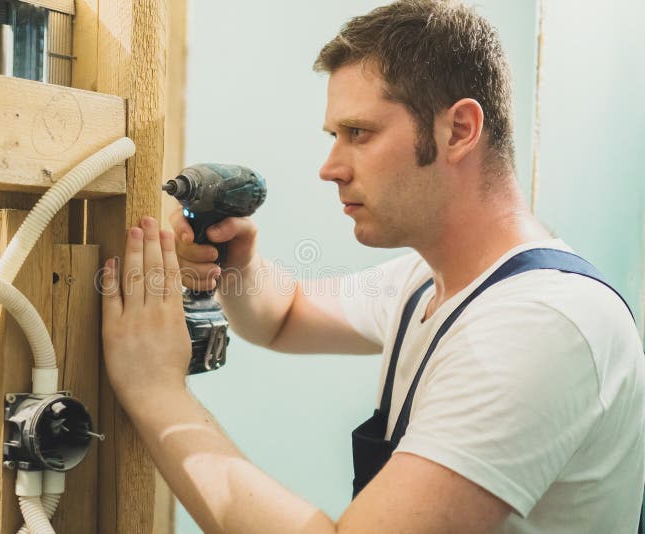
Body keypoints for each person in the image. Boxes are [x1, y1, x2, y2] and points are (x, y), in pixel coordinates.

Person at [100, 1, 645, 532]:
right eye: (333, 136)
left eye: (358, 133)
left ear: (458, 130)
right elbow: (283, 316)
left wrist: (156, 393)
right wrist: (241, 263)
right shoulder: (429, 281)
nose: (330, 168)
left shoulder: (540, 326)